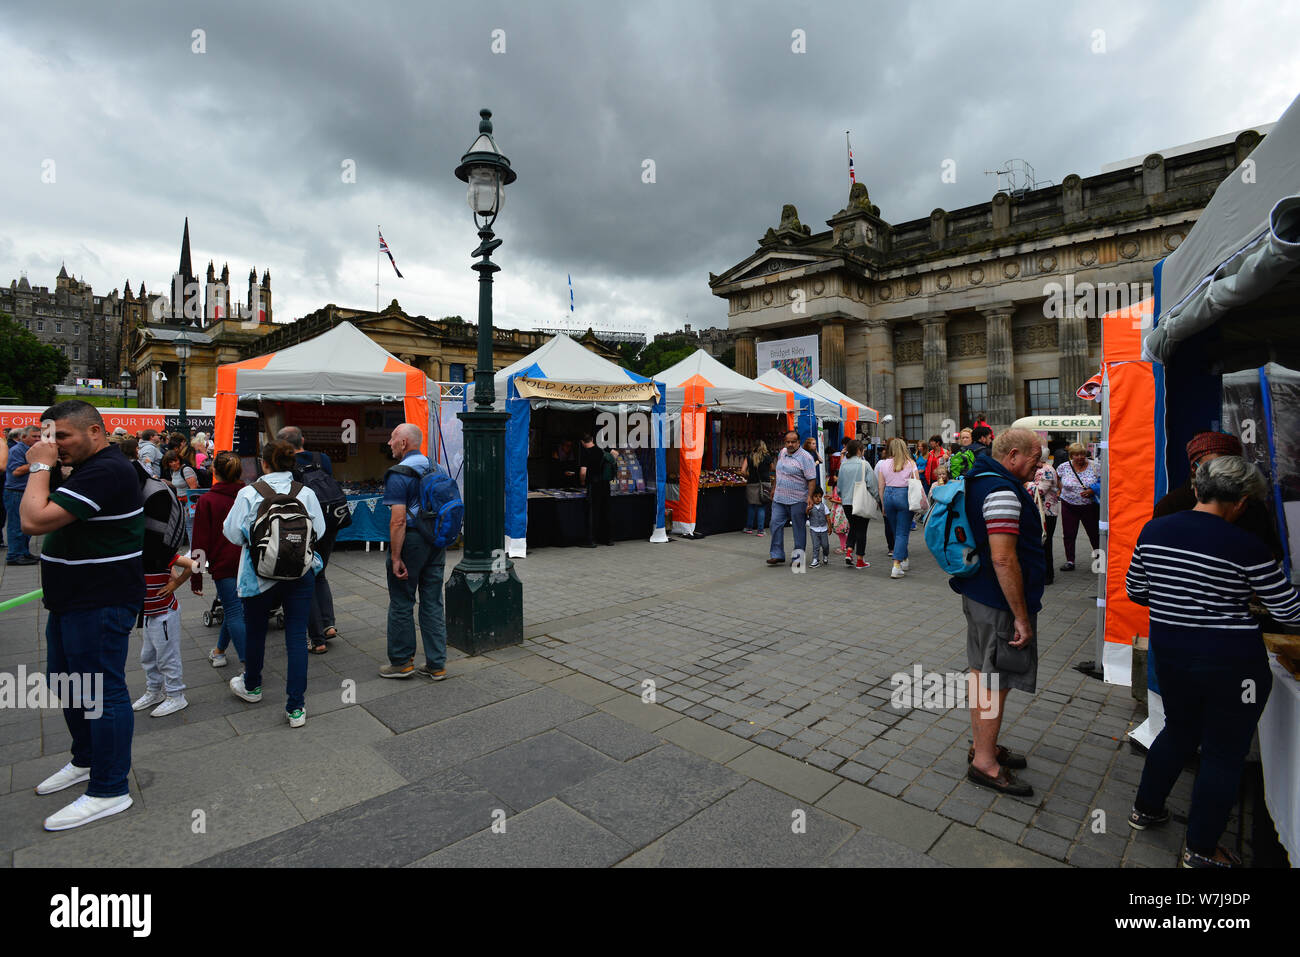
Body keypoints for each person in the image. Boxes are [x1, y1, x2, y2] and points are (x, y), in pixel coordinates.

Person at [1125, 455, 1300, 867]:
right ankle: (1202, 848)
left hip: (1171, 651)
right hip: (1232, 663)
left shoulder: (1155, 530)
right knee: (1223, 752)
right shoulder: (1246, 545)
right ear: (1239, 501)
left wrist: (1180, 601)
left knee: (1178, 730)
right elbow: (1290, 613)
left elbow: (1136, 589)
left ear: (1199, 489)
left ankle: (1145, 810)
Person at [23, 400, 144, 830]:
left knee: (102, 691)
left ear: (95, 431)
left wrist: (39, 469)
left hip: (101, 600)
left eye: (61, 436)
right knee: (66, 681)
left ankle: (110, 789)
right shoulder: (89, 468)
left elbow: (34, 521)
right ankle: (86, 761)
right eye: (46, 436)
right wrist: (50, 469)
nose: (51, 445)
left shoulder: (109, 469)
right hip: (72, 598)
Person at [949, 428, 1046, 798]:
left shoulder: (980, 478)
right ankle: (985, 764)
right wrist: (1021, 616)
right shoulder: (1003, 491)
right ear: (1015, 455)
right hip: (999, 603)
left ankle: (983, 746)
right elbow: (1004, 558)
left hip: (978, 595)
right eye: (1035, 459)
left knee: (982, 675)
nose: (1040, 465)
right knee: (995, 681)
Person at [222, 440, 324, 728]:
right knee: (295, 636)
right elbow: (320, 530)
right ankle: (296, 708)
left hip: (258, 575)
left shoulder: (248, 494)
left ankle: (252, 686)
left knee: (255, 632)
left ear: (264, 463)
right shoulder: (306, 493)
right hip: (300, 574)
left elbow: (231, 533)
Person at [380, 423, 448, 680]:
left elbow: (397, 520)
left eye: (392, 438)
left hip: (411, 541)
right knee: (432, 601)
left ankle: (401, 661)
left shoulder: (399, 474)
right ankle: (437, 663)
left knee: (401, 600)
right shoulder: (435, 466)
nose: (389, 443)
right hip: (436, 539)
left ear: (404, 443)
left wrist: (396, 557)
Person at [1153, 431, 1283, 559]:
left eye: (1226, 467)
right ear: (1194, 468)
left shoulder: (1251, 505)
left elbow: (1274, 551)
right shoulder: (1170, 506)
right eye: (1211, 466)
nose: (1219, 473)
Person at [278, 425, 340, 653]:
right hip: (330, 522)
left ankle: (317, 633)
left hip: (304, 525)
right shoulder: (321, 458)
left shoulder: (286, 464)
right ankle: (328, 623)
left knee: (306, 576)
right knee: (320, 572)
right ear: (302, 439)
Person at [191, 450, 247, 668]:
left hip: (225, 564)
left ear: (214, 472)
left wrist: (196, 577)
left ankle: (249, 671)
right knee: (235, 608)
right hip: (250, 562)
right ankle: (219, 650)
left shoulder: (207, 500)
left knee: (234, 611)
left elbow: (200, 542)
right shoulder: (249, 495)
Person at [130, 547, 196, 719]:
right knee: (148, 656)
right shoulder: (138, 551)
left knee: (167, 657)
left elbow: (191, 564)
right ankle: (154, 691)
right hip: (150, 613)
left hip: (164, 613)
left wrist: (175, 583)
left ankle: (176, 695)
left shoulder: (159, 551)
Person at [766, 430, 817, 567]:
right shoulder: (782, 452)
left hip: (798, 499)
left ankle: (798, 558)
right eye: (787, 442)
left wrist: (810, 497)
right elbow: (779, 471)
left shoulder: (805, 457)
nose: (790, 444)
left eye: (793, 442)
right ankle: (777, 555)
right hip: (779, 497)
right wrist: (774, 487)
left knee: (798, 528)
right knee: (775, 524)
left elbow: (812, 479)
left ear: (798, 442)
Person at [877, 437, 920, 579]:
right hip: (904, 496)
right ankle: (896, 565)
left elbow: (881, 486)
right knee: (902, 532)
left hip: (889, 495)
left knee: (896, 531)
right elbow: (917, 484)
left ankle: (904, 559)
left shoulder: (883, 464)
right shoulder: (910, 463)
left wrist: (883, 504)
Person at [1056, 441, 1100, 572]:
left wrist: (1092, 490)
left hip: (1089, 506)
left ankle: (1100, 560)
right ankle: (1070, 561)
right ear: (1071, 456)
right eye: (1076, 455)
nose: (1080, 457)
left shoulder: (1094, 466)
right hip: (1068, 505)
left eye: (1082, 454)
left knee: (1094, 534)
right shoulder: (1064, 467)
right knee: (1069, 534)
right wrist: (1061, 490)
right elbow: (1057, 478)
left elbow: (1103, 481)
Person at [6, 425, 40, 565]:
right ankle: (14, 555)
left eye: (39, 436)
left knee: (27, 525)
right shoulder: (17, 450)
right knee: (16, 526)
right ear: (23, 437)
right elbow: (16, 471)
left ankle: (24, 552)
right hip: (16, 492)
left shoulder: (32, 450)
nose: (38, 439)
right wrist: (38, 462)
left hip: (26, 491)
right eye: (34, 436)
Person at [837, 439, 873, 569]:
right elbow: (872, 485)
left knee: (853, 526)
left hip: (846, 503)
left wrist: (844, 496)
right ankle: (860, 559)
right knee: (862, 529)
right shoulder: (865, 464)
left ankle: (849, 551)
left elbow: (839, 488)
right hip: (861, 501)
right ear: (859, 450)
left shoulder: (843, 465)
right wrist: (878, 500)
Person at [1027, 451, 1062, 586]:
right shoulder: (1041, 469)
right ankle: (1043, 573)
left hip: (1046, 512)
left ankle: (1047, 575)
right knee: (1041, 543)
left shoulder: (1046, 470)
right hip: (1043, 511)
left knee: (1045, 543)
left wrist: (1025, 484)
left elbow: (1040, 490)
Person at [579, 432, 614, 547]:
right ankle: (607, 539)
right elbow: (615, 455)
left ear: (582, 442)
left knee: (593, 512)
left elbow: (583, 472)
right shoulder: (601, 451)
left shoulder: (585, 453)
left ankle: (591, 540)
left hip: (594, 485)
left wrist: (583, 482)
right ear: (592, 439)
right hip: (605, 484)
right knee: (606, 510)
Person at [162, 447, 200, 545]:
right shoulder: (173, 471)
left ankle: (194, 550)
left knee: (190, 527)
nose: (173, 463)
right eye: (170, 462)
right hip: (182, 503)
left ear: (179, 459)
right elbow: (178, 485)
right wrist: (166, 482)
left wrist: (190, 506)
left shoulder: (186, 470)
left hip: (189, 503)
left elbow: (193, 489)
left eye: (175, 460)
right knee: (189, 527)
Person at [741, 441, 772, 535]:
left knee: (751, 506)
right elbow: (772, 468)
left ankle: (749, 528)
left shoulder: (749, 457)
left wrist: (748, 476)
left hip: (752, 483)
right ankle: (760, 531)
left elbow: (742, 471)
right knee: (761, 506)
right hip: (765, 483)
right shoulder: (767, 457)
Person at [807, 487, 830, 568]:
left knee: (825, 545)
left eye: (820, 497)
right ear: (812, 497)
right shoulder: (810, 507)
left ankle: (825, 555)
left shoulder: (824, 507)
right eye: (816, 496)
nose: (818, 499)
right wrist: (807, 510)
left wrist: (830, 528)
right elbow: (806, 514)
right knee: (816, 545)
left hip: (823, 529)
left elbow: (828, 518)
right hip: (814, 529)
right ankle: (815, 559)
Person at [827, 475, 849, 555]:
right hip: (836, 510)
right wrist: (831, 497)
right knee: (838, 530)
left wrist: (834, 500)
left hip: (841, 511)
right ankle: (847, 545)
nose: (834, 477)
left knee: (840, 529)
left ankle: (845, 547)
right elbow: (835, 497)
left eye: (836, 476)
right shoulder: (835, 486)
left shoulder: (843, 487)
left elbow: (844, 501)